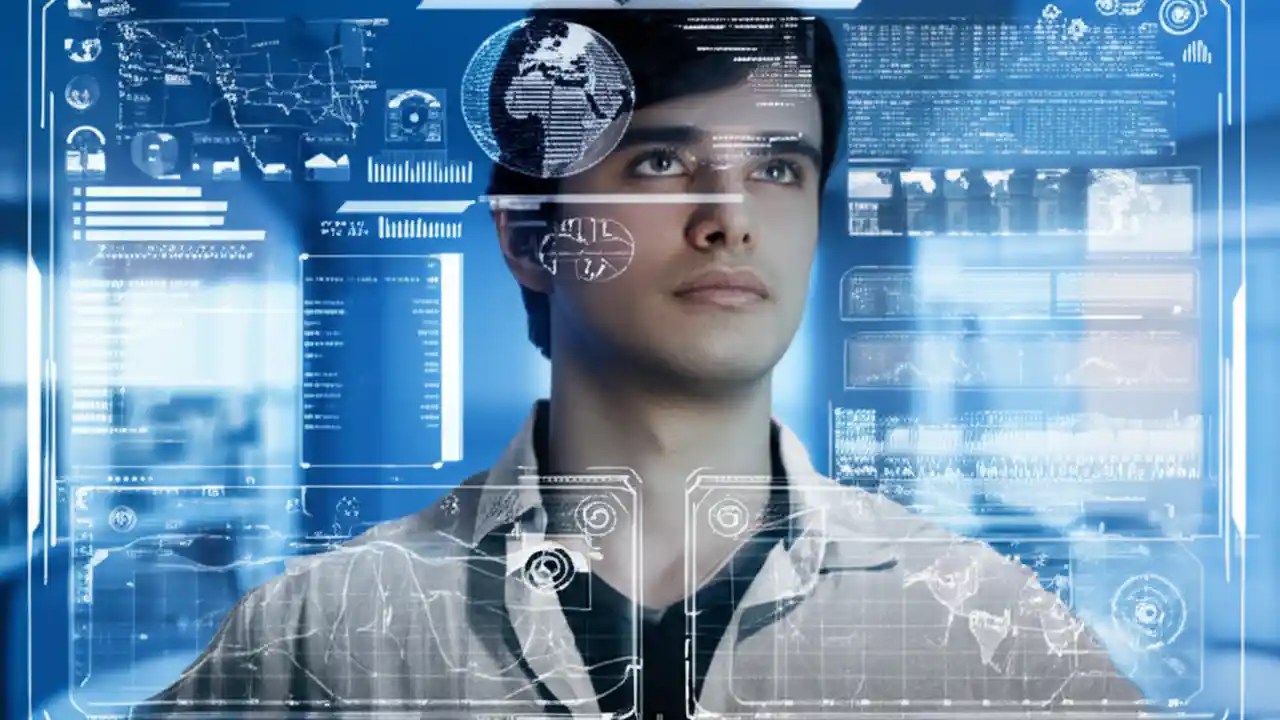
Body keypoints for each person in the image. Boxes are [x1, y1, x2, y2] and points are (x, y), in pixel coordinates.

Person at [141, 7, 1145, 719]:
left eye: (777, 169)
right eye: (661, 163)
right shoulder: (323, 636)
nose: (729, 220)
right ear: (531, 237)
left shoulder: (990, 630)